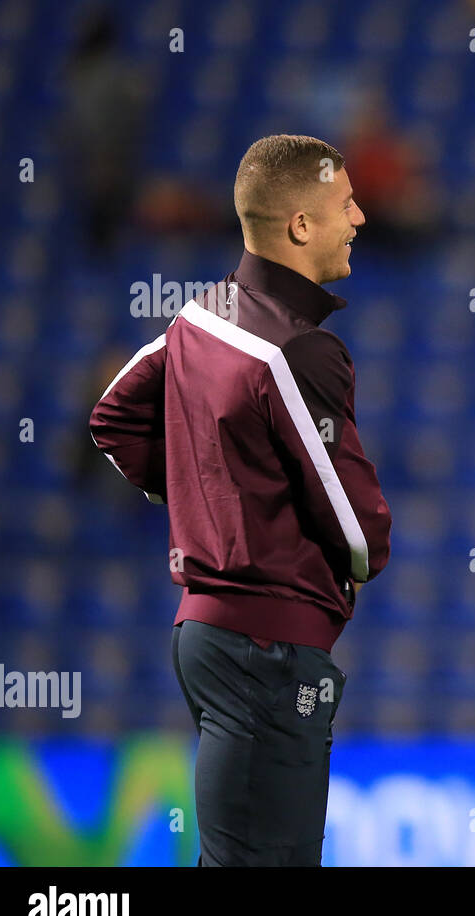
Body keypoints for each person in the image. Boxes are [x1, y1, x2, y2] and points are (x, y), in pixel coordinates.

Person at [89, 134, 391, 866]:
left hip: (210, 636)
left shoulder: (199, 317)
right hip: (270, 646)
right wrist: (233, 506)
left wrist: (203, 496)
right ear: (300, 225)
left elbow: (113, 415)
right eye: (345, 204)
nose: (359, 218)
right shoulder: (297, 350)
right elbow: (359, 533)